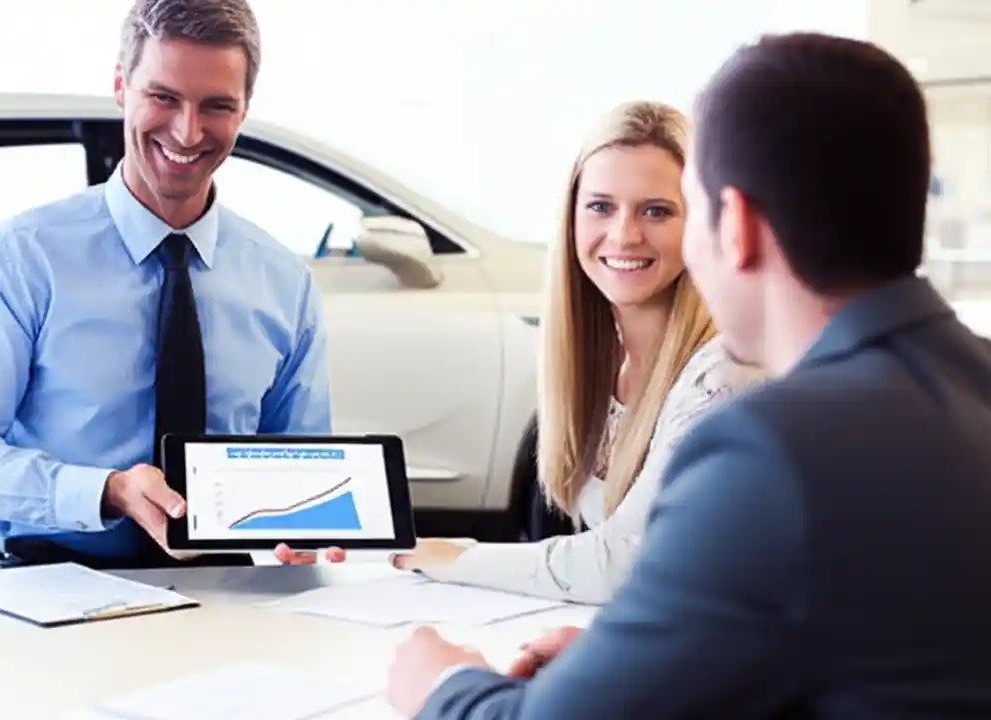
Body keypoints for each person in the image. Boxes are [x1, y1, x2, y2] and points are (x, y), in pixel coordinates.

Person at [386, 32, 991, 719]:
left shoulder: (773, 449)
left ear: (731, 224)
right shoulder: (971, 383)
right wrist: (650, 654)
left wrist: (445, 687)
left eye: (680, 208)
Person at [281, 101, 759, 604]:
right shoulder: (602, 360)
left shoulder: (721, 374)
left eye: (656, 211)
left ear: (702, 223)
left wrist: (458, 558)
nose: (624, 234)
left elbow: (623, 564)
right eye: (600, 206)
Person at [0, 0, 332, 570]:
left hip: (226, 586)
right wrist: (106, 491)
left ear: (244, 109)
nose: (188, 131)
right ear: (120, 86)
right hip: (49, 575)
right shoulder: (21, 256)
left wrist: (309, 528)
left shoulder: (284, 281)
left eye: (217, 106)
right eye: (164, 97)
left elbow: (300, 463)